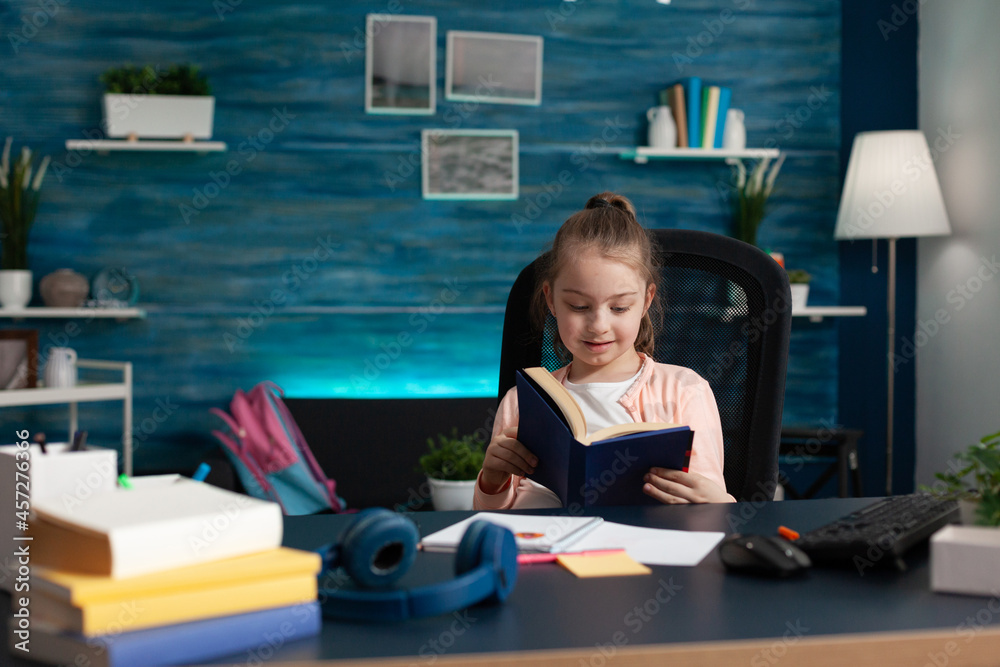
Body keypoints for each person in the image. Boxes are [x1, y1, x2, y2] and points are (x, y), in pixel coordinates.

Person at [474, 192, 735, 510]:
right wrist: (491, 479)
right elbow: (489, 519)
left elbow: (714, 509)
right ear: (551, 300)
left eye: (620, 307)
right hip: (540, 548)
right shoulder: (522, 402)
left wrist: (716, 501)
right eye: (579, 306)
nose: (598, 325)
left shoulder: (685, 391)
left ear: (646, 301)